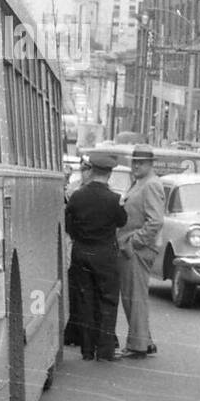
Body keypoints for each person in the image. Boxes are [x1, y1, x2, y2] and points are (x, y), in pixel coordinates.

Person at [64, 151, 128, 361]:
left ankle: (87, 350)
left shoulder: (77, 196)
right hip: (105, 255)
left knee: (85, 300)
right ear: (109, 174)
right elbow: (122, 222)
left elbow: (68, 224)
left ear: (91, 171)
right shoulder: (114, 199)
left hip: (81, 252)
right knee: (107, 301)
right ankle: (105, 350)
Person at [117, 145, 166, 358]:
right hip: (133, 247)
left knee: (133, 297)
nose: (135, 165)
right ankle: (144, 341)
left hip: (137, 249)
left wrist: (134, 242)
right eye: (134, 161)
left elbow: (155, 221)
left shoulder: (151, 185)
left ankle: (137, 345)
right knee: (134, 296)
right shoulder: (140, 182)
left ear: (151, 164)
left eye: (141, 162)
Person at [62, 156, 93, 346]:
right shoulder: (73, 189)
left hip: (83, 243)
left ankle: (83, 333)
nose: (85, 172)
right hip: (72, 241)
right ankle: (74, 331)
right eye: (83, 168)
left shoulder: (95, 190)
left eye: (88, 168)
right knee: (74, 289)